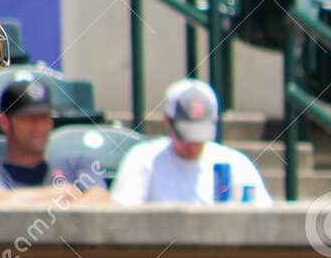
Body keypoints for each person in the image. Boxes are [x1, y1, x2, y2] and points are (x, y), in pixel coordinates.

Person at [111, 80, 272, 207]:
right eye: (185, 137)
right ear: (167, 122)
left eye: (200, 137)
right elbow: (123, 216)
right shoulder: (142, 159)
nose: (193, 145)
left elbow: (259, 218)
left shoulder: (236, 164)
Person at [0, 77, 108, 197]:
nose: (39, 126)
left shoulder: (76, 166)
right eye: (29, 119)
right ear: (4, 122)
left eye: (44, 118)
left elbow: (100, 197)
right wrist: (58, 194)